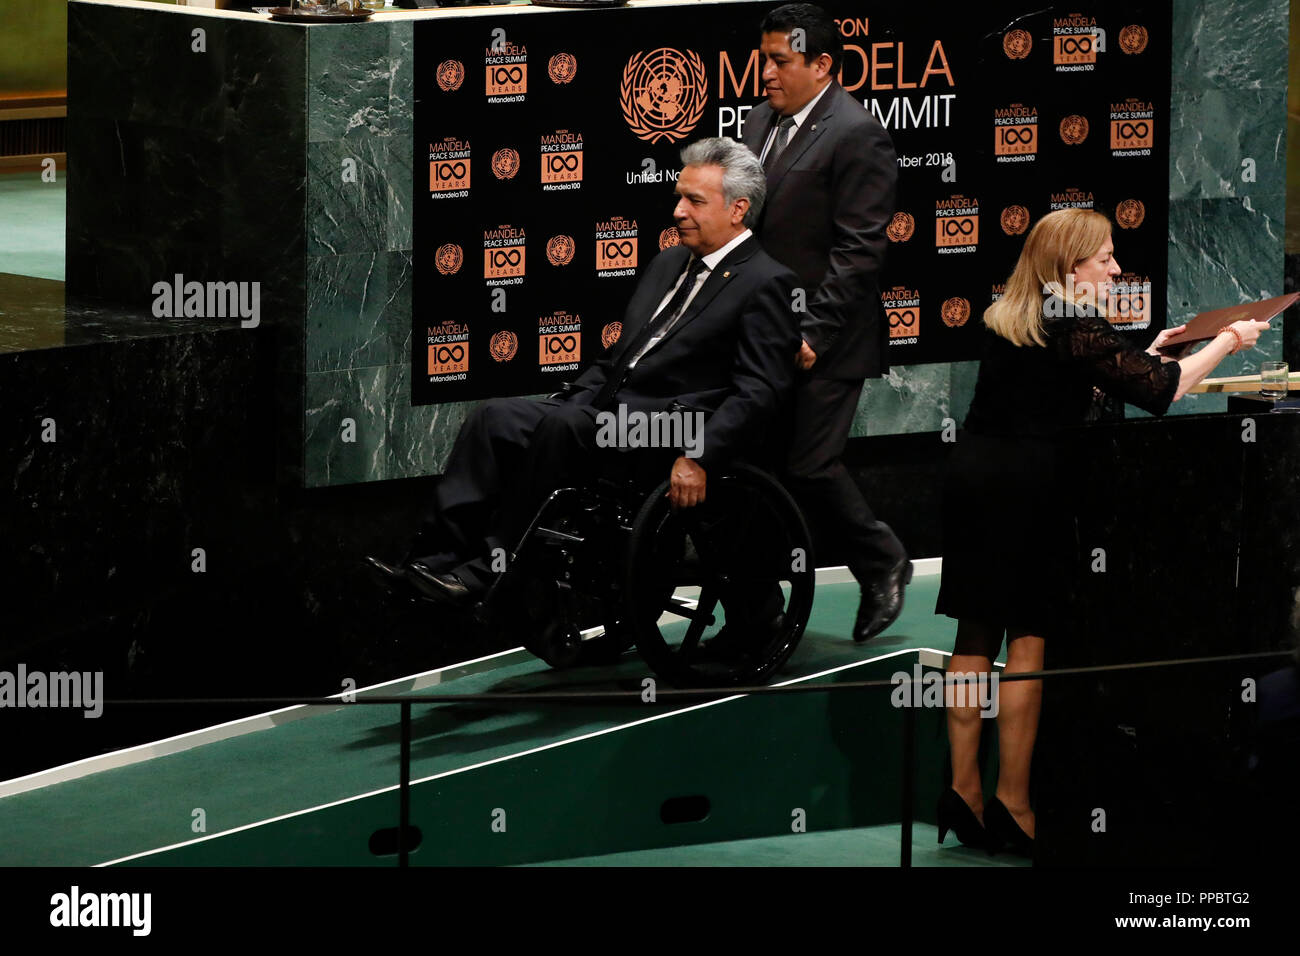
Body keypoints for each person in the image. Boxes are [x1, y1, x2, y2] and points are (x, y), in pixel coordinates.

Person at [935, 207, 1271, 855]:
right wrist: (1227, 340)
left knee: (974, 630)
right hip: (1028, 489)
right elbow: (1166, 391)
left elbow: (1073, 385)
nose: (1116, 269)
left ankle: (962, 793)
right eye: (1106, 258)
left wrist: (1143, 354)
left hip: (975, 478)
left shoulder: (1021, 313)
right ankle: (1014, 802)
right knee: (1028, 635)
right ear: (1070, 265)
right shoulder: (1073, 319)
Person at [367, 138, 799, 607]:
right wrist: (581, 395)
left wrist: (699, 456)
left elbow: (759, 392)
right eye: (679, 196)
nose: (677, 211)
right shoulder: (670, 262)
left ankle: (488, 574)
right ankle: (432, 560)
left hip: (674, 428)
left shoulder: (767, 282)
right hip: (605, 412)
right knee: (493, 417)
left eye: (694, 201)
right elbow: (622, 356)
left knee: (564, 426)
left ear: (738, 209)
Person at [740, 3, 909, 642]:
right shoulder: (758, 122)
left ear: (822, 65)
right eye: (764, 60)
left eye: (781, 62)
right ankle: (754, 615)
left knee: (809, 465)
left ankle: (880, 558)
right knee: (753, 468)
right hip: (760, 333)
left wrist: (814, 331)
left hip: (830, 340)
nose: (768, 74)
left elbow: (859, 247)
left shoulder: (856, 132)